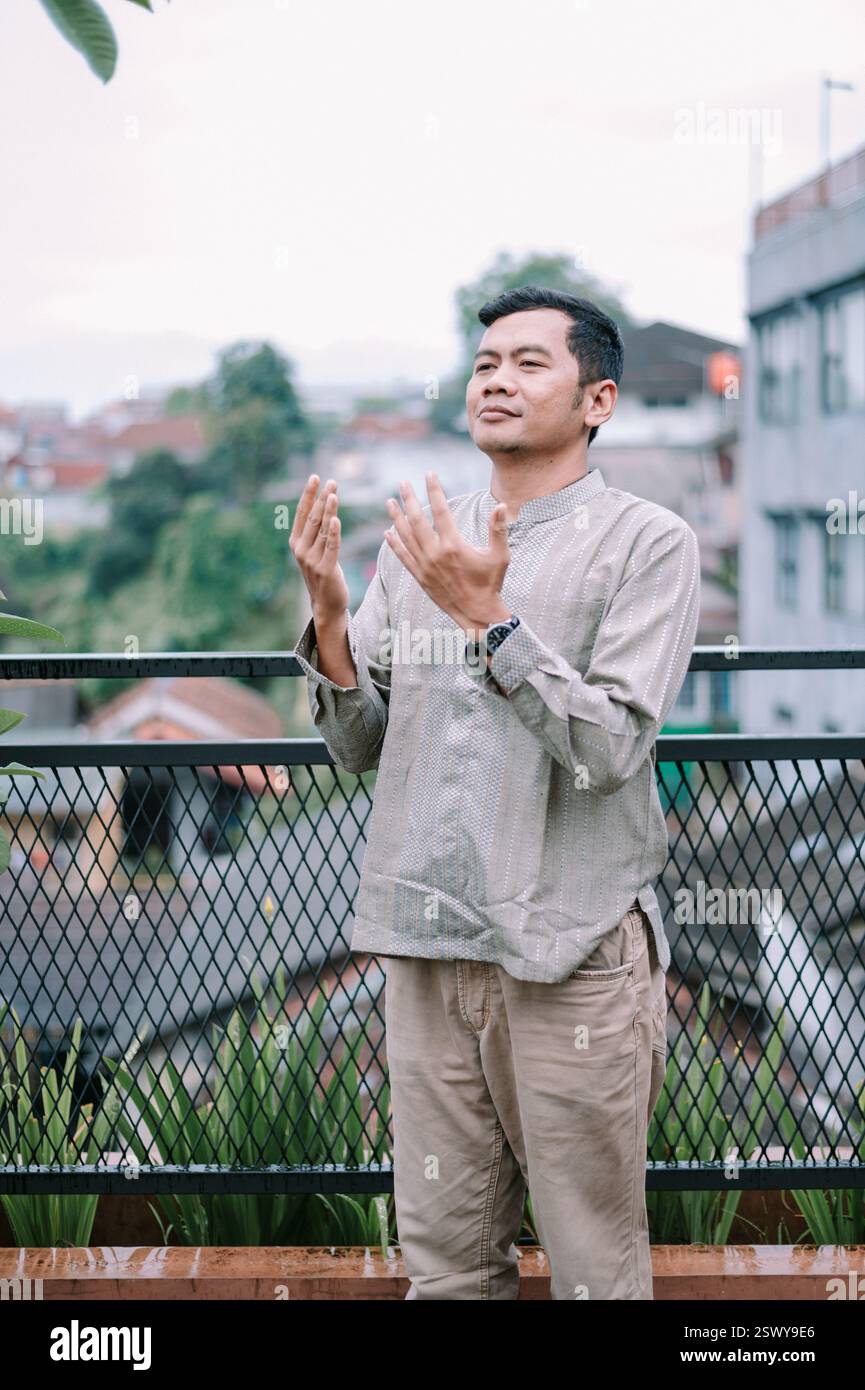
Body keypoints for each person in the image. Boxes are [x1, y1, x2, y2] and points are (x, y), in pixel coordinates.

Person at [289, 285, 701, 1300]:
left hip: (571, 950)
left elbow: (610, 746)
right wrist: (331, 618)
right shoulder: (422, 538)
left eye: (527, 363)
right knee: (446, 1268)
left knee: (593, 1266)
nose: (496, 381)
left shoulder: (647, 544)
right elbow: (358, 744)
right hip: (429, 950)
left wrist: (489, 619)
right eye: (484, 365)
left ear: (597, 400)